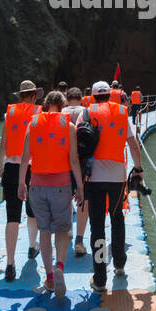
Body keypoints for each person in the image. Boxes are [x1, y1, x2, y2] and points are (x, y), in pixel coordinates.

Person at [18, 91, 84, 299]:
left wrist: (21, 183)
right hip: (61, 186)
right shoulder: (70, 127)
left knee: (44, 231)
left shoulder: (33, 125)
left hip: (37, 185)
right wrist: (80, 187)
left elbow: (24, 158)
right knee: (63, 229)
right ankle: (60, 267)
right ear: (62, 106)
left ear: (45, 105)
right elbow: (73, 161)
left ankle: (49, 278)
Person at [84, 81, 143, 292]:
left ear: (92, 96)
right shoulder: (121, 113)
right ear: (110, 95)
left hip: (93, 179)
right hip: (117, 177)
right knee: (117, 220)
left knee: (97, 227)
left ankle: (100, 279)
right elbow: (133, 144)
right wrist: (138, 168)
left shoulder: (86, 112)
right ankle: (119, 264)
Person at [0, 80, 41, 281]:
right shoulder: (39, 113)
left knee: (12, 217)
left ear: (20, 96)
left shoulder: (9, 114)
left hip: (11, 169)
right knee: (32, 212)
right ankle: (32, 247)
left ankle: (10, 264)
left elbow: (3, 145)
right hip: (32, 168)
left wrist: (2, 167)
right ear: (34, 96)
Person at [64, 88, 91, 256]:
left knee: (65, 197)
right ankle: (79, 241)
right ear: (81, 99)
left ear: (67, 99)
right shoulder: (85, 112)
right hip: (81, 161)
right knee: (83, 200)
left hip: (64, 161)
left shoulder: (61, 113)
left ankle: (67, 230)